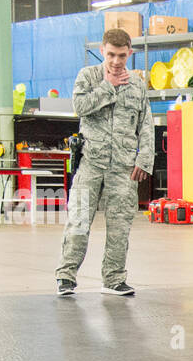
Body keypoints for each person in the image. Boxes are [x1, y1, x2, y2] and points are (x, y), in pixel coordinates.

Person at [55, 27, 153, 298]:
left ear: (130, 52)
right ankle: (66, 276)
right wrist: (108, 86)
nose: (116, 61)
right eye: (111, 55)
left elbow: (145, 124)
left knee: (120, 226)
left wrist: (145, 159)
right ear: (102, 51)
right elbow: (80, 107)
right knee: (78, 221)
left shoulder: (137, 85)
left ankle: (114, 279)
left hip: (123, 167)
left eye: (122, 55)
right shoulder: (88, 76)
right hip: (90, 162)